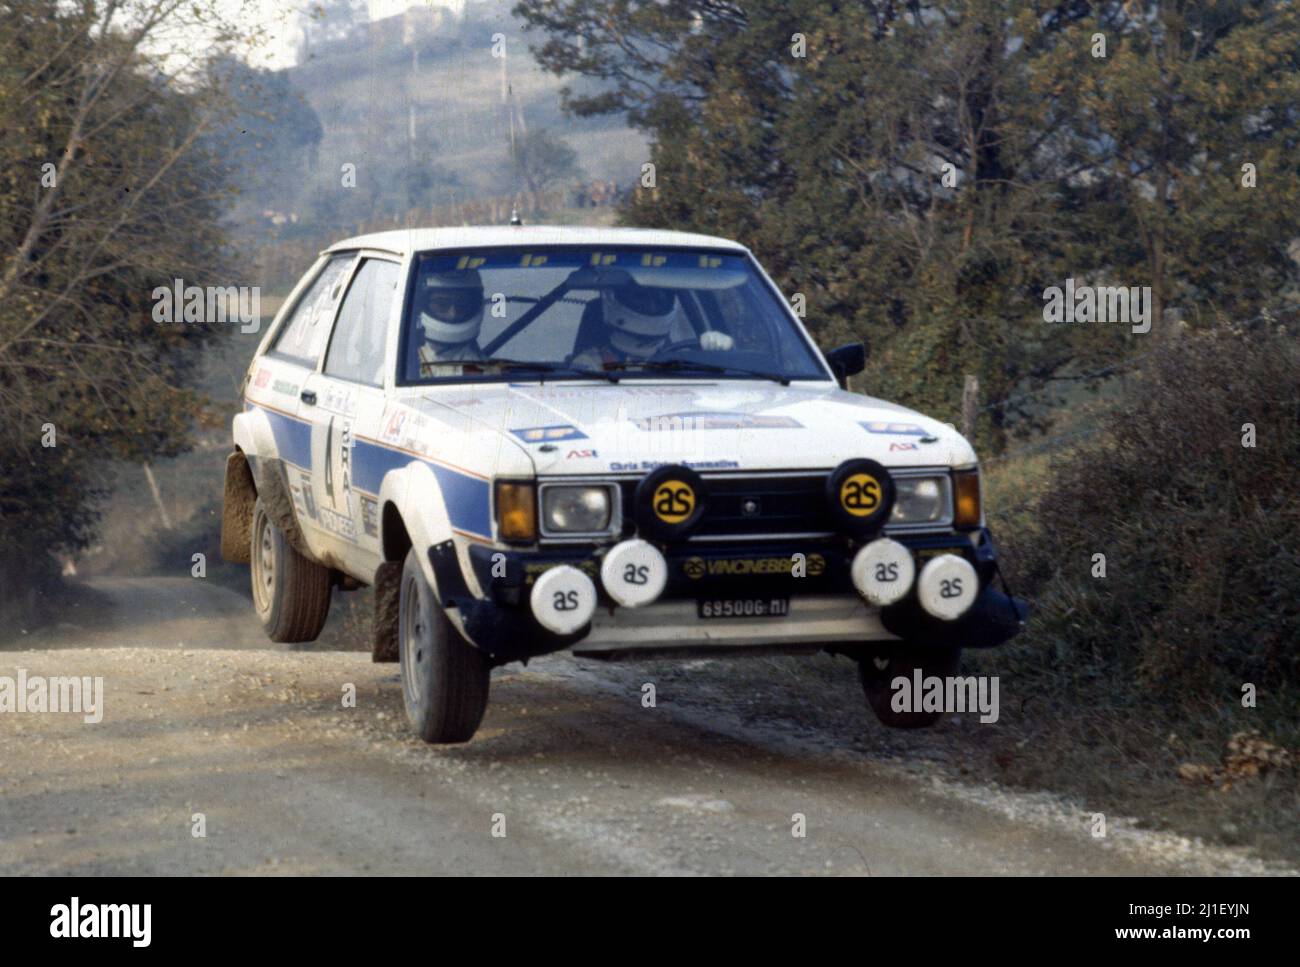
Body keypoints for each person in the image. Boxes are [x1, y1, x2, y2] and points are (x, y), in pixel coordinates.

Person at [571, 279, 733, 368]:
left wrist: (720, 351)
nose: (652, 304)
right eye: (641, 297)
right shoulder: (589, 363)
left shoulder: (681, 358)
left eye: (660, 298)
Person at [415, 268, 485, 371]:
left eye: (462, 304)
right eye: (441, 304)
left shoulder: (484, 370)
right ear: (422, 304)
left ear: (473, 306)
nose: (452, 314)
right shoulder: (400, 358)